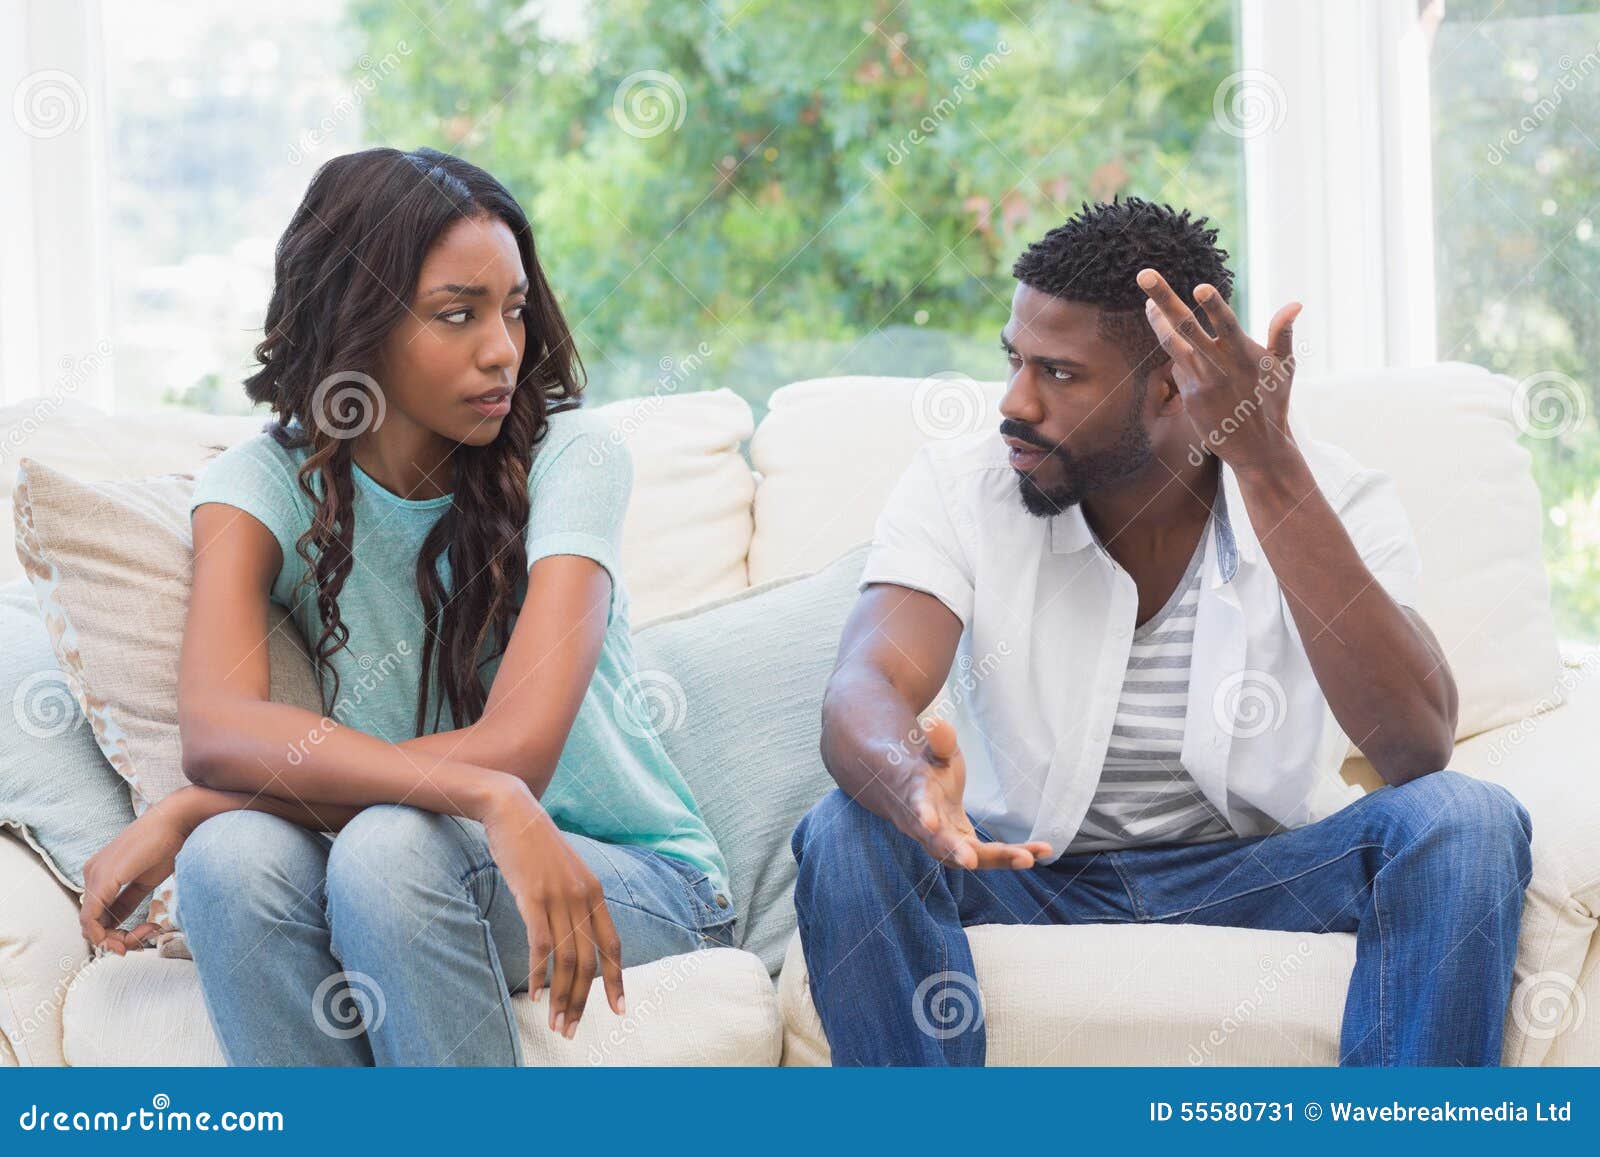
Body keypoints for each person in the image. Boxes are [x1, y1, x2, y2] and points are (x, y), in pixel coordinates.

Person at [792, 196, 1532, 1066]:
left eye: (1059, 374)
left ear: (1173, 384)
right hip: (1026, 870)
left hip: (1265, 868)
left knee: (1466, 818)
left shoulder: (1333, 494)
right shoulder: (963, 488)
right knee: (847, 827)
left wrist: (1269, 466)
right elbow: (864, 686)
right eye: (1014, 360)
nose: (1013, 402)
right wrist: (910, 784)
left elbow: (1415, 747)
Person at [75, 146, 734, 1066]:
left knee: (386, 847)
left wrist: (194, 803)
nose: (503, 347)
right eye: (457, 315)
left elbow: (521, 753)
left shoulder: (572, 457)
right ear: (357, 323)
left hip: (630, 876)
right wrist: (474, 793)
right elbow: (218, 725)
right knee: (230, 861)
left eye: (512, 310)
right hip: (409, 854)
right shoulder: (260, 484)